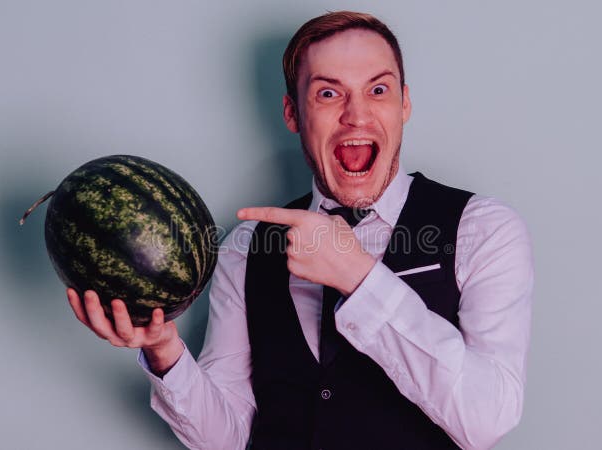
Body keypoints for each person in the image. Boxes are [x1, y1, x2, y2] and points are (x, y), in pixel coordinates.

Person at [67, 10, 533, 450]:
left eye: (378, 90)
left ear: (404, 103)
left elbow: (485, 419)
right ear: (292, 114)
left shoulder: (482, 230)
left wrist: (360, 278)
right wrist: (164, 351)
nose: (356, 115)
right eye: (328, 94)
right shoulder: (245, 248)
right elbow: (229, 437)